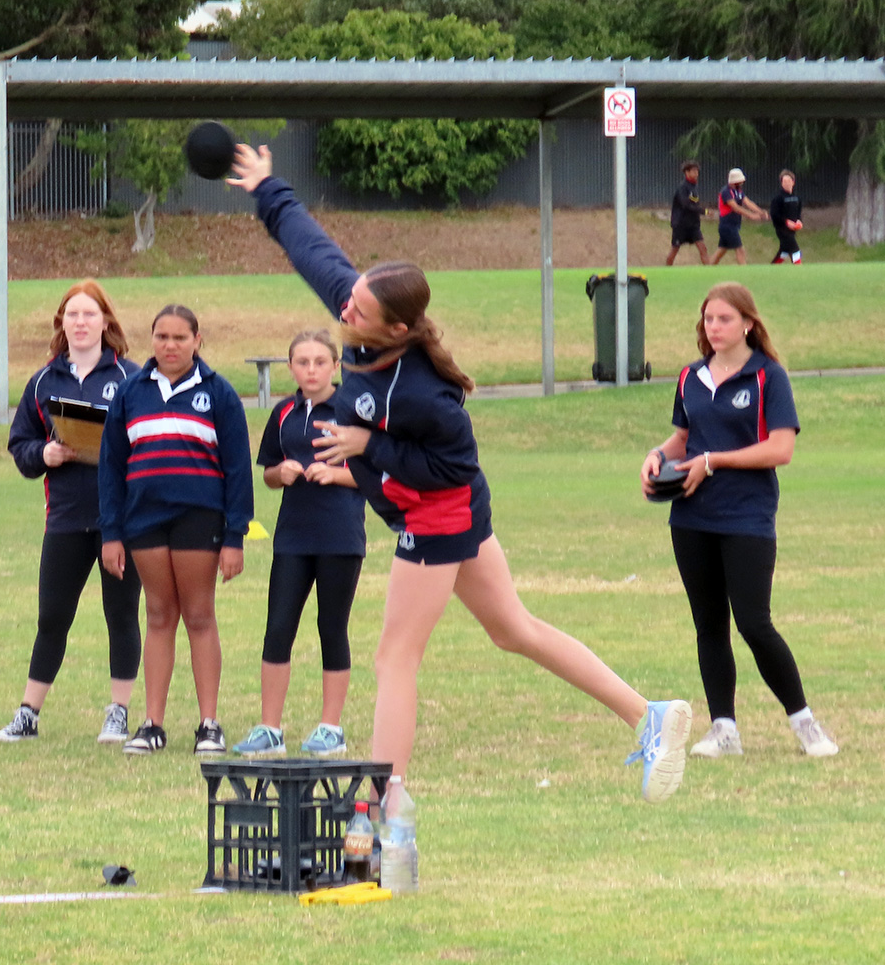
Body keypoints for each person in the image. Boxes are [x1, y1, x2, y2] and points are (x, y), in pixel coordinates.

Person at [229, 143, 692, 804]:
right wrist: (268, 189)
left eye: (358, 308)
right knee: (513, 629)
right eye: (351, 298)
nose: (345, 309)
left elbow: (449, 468)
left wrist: (368, 446)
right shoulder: (363, 316)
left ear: (397, 327)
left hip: (437, 511)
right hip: (442, 509)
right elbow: (314, 251)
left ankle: (386, 800)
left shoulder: (421, 393)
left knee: (395, 658)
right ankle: (646, 714)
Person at [641, 283, 837, 759]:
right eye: (709, 320)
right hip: (691, 519)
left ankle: (805, 723)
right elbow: (684, 438)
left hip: (746, 517)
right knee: (709, 624)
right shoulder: (691, 376)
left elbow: (780, 448)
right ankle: (724, 730)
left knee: (754, 622)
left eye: (725, 319)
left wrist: (713, 461)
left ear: (748, 323)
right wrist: (656, 456)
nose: (715, 328)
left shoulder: (768, 376)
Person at [0, 280, 143, 745]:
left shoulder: (131, 378)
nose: (80, 323)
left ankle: (118, 712)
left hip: (120, 520)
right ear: (62, 324)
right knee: (52, 617)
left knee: (121, 614)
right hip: (65, 518)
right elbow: (20, 445)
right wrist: (45, 455)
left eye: (89, 314)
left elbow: (150, 441)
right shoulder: (44, 380)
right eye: (72, 315)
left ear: (106, 322)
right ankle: (27, 714)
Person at [99, 304, 253, 756]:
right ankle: (152, 724)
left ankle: (209, 724)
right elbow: (110, 469)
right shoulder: (130, 393)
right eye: (162, 337)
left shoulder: (218, 394)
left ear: (197, 341)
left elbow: (238, 469)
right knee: (159, 615)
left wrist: (235, 537)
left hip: (199, 516)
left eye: (180, 338)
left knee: (199, 615)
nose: (170, 345)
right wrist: (111, 533)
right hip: (143, 519)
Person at [233, 329, 365, 758]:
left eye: (320, 362)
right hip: (292, 536)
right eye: (303, 362)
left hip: (340, 535)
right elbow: (268, 471)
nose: (311, 370)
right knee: (278, 627)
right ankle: (270, 729)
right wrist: (281, 473)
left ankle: (331, 728)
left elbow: (379, 472)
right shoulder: (284, 411)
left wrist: (337, 475)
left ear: (335, 366)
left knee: (331, 627)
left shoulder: (352, 409)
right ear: (291, 367)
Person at [712, 169, 765, 265]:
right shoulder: (726, 192)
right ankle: (744, 271)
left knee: (721, 250)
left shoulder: (738, 191)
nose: (742, 183)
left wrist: (760, 212)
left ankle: (708, 269)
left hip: (734, 225)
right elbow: (735, 208)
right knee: (740, 249)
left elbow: (748, 203)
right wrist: (751, 216)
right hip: (727, 225)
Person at [665, 161, 708, 266]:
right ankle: (666, 270)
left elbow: (694, 203)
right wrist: (704, 211)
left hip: (693, 226)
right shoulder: (682, 188)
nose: (696, 174)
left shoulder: (694, 187)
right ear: (686, 172)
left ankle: (710, 271)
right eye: (693, 171)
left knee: (703, 248)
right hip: (681, 225)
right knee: (675, 249)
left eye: (697, 171)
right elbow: (686, 205)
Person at [769, 171, 804, 265]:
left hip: (792, 230)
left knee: (784, 252)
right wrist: (786, 222)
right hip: (782, 229)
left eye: (789, 181)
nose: (787, 183)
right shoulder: (778, 198)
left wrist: (799, 221)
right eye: (784, 181)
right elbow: (774, 215)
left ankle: (771, 269)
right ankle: (799, 270)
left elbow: (798, 213)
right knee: (795, 250)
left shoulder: (797, 198)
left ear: (793, 182)